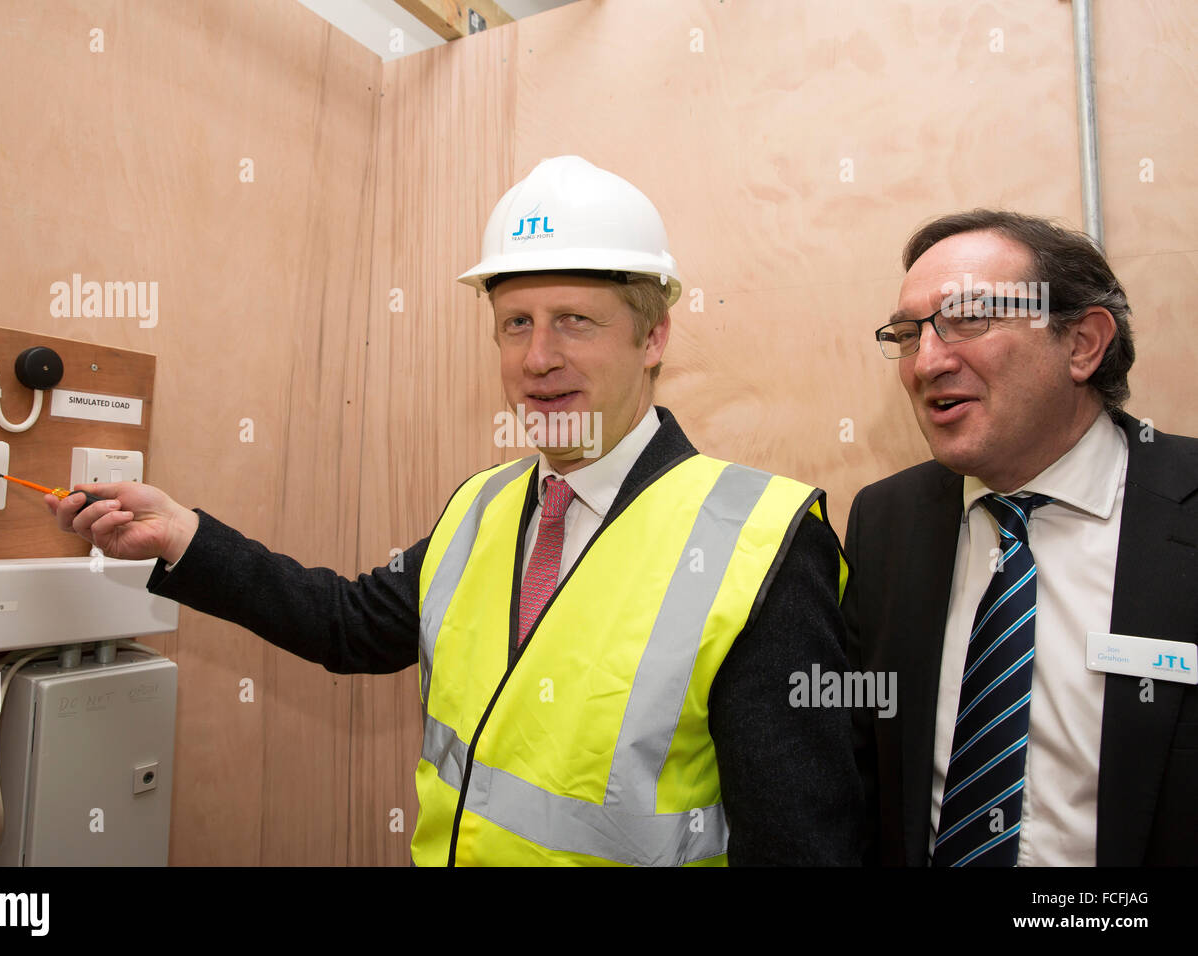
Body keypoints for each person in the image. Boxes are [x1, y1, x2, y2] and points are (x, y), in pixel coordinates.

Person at [50, 155, 862, 866]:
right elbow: (349, 625)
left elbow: (801, 849)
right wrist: (184, 536)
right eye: (515, 324)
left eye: (574, 321)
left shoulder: (760, 544)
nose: (537, 359)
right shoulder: (485, 505)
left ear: (653, 337)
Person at [844, 209, 1198, 866]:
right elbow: (860, 772)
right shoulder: (885, 523)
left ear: (1082, 344)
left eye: (970, 319)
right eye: (907, 332)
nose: (927, 361)